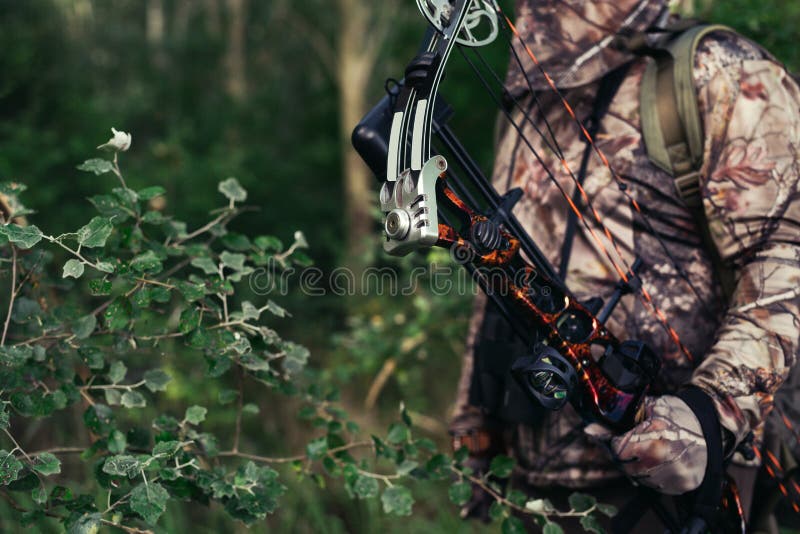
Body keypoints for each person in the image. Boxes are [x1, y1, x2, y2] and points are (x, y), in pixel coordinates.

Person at [449, 0, 800, 531]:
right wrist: (475, 418)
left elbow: (782, 260)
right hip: (534, 479)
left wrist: (709, 414)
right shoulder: (533, 92)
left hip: (676, 478)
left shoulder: (720, 72)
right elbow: (499, 264)